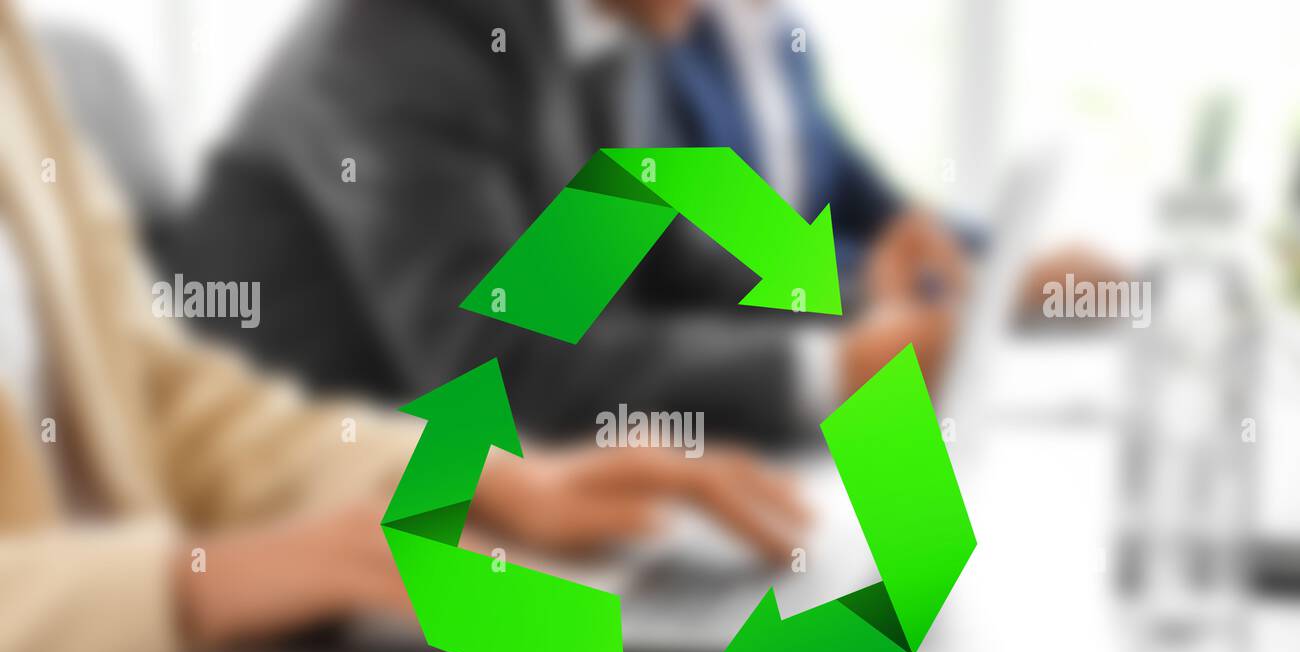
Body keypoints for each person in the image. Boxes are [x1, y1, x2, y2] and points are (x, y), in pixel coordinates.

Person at [0, 0, 804, 652]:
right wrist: (197, 583)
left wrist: (468, 479)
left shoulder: (585, 55)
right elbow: (502, 354)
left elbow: (153, 397)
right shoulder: (398, 38)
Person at [174, 0, 960, 445]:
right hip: (340, 529)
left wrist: (861, 307)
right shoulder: (399, 36)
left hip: (493, 485)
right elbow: (490, 364)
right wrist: (825, 373)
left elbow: (671, 265)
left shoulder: (598, 34)